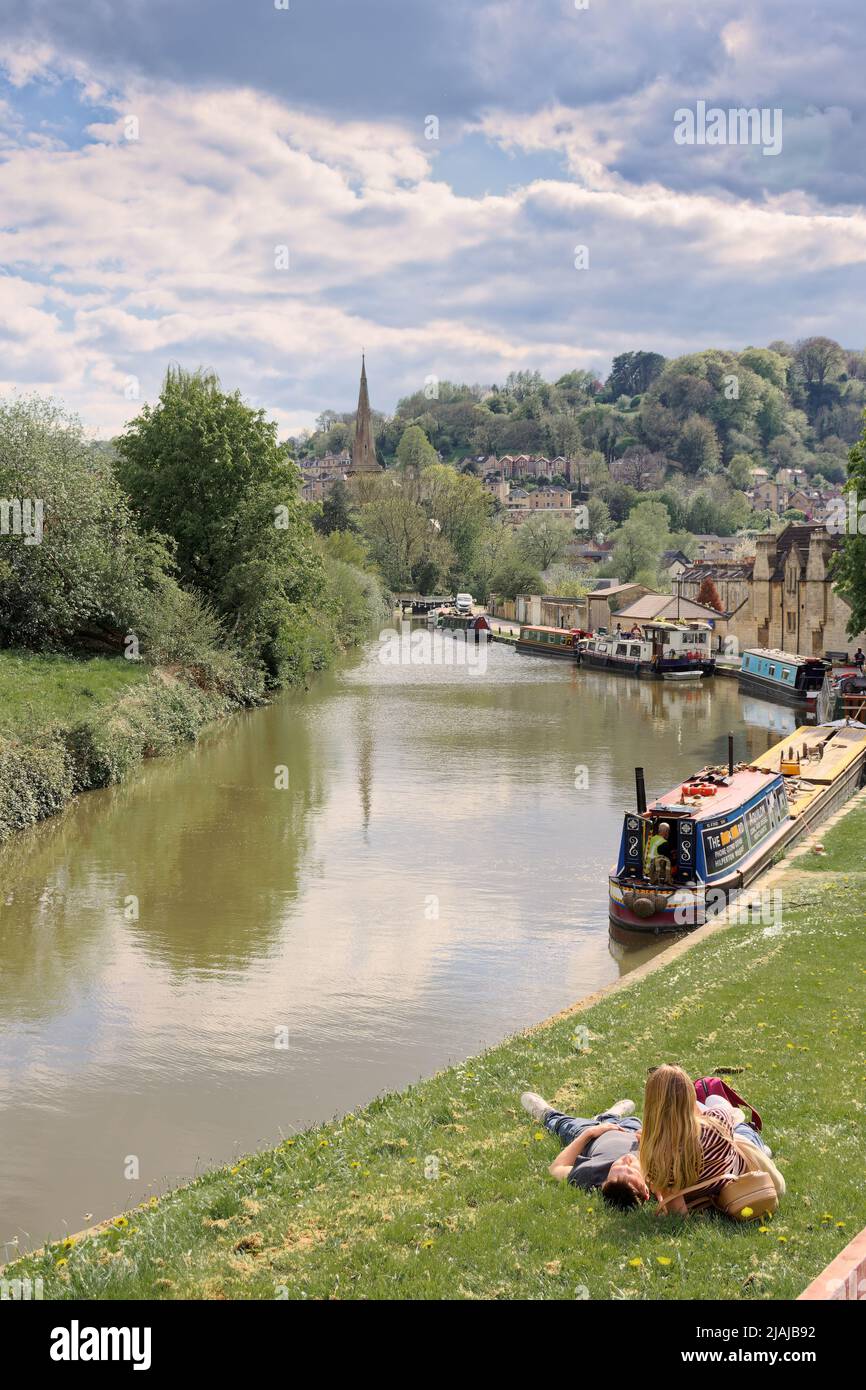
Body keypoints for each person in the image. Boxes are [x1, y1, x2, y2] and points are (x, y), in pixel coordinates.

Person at [640, 1064, 750, 1215]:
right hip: (736, 1175)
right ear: (690, 1095)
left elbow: (677, 1213)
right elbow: (727, 1111)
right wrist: (695, 1109)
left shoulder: (657, 1159)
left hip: (702, 1196)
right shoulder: (717, 1123)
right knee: (715, 1101)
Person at [521, 1092, 649, 1209]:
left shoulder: (592, 1173)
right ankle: (610, 1116)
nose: (625, 1159)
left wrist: (589, 1133)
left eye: (619, 1165)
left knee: (565, 1125)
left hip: (593, 1135)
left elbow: (556, 1169)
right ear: (646, 1189)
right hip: (629, 1129)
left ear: (605, 1182)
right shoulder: (657, 1173)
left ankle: (549, 1114)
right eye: (630, 1168)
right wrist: (647, 1139)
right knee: (634, 1121)